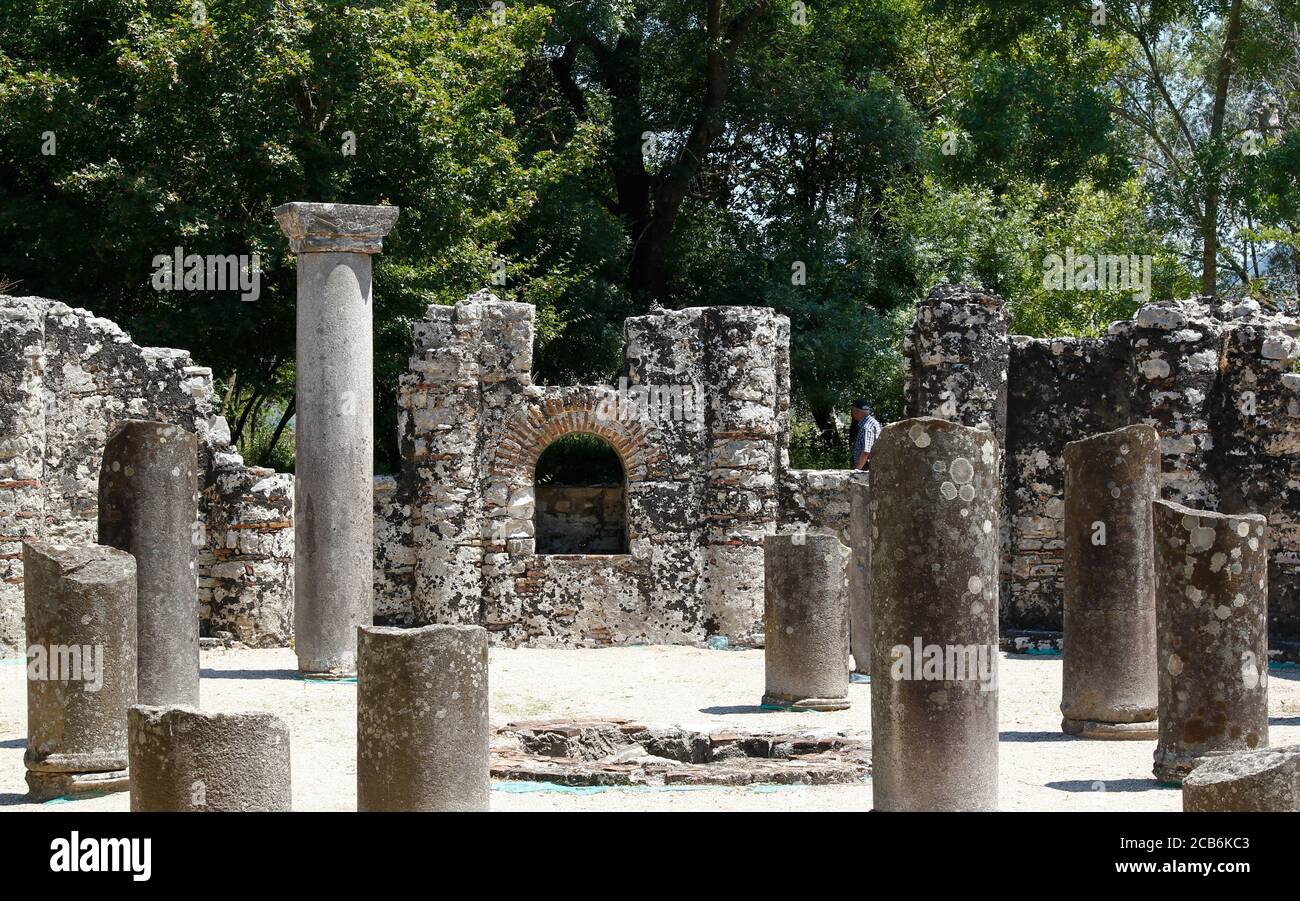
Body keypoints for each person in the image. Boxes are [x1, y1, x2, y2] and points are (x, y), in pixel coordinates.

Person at [850, 398, 882, 470]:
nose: (852, 413)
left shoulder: (867, 427)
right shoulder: (870, 423)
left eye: (852, 410)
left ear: (856, 411)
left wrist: (857, 471)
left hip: (867, 467)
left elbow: (866, 452)